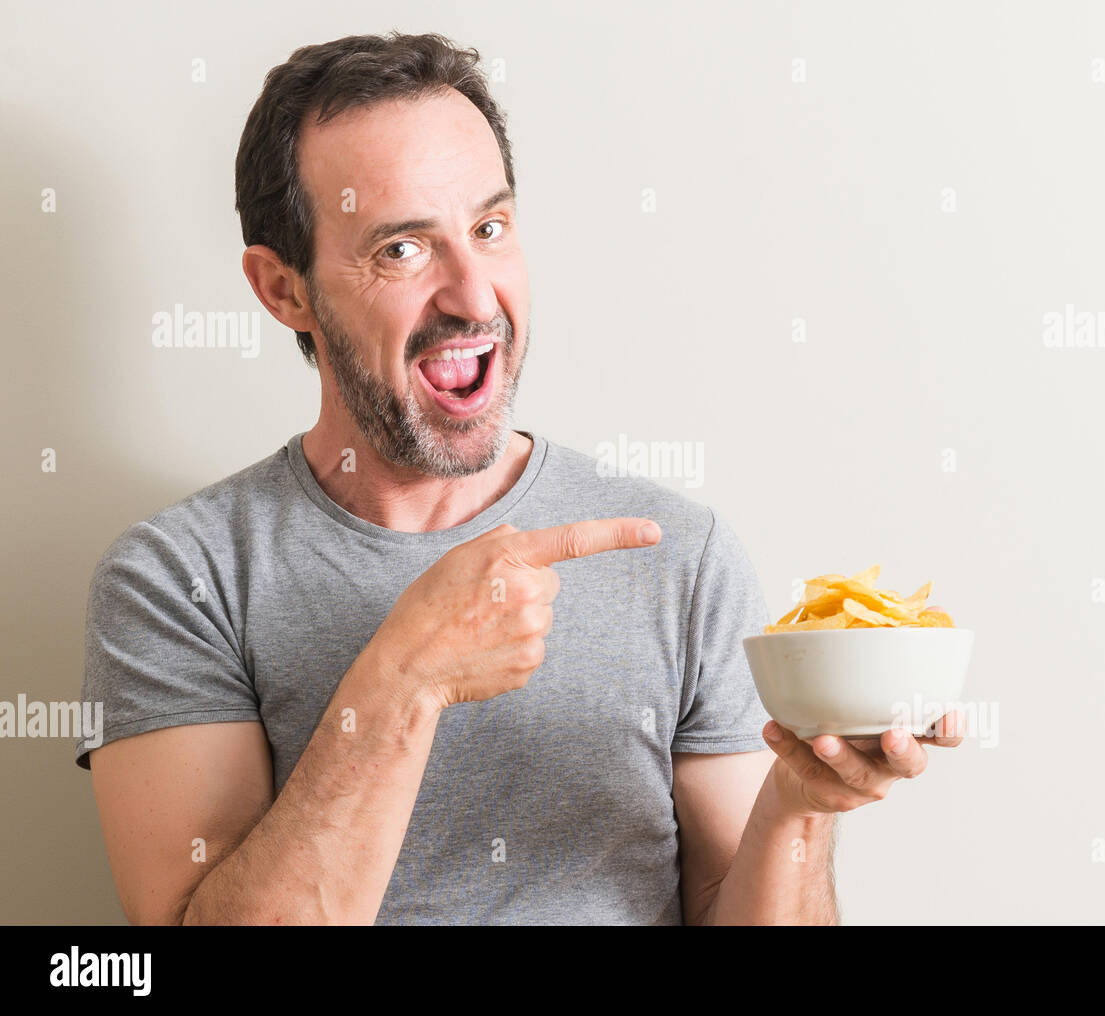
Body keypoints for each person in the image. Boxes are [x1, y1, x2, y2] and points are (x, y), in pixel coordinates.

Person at [76, 31, 963, 926]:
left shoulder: (680, 557)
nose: (473, 294)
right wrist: (410, 675)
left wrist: (799, 808)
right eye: (402, 250)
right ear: (283, 290)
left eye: (489, 229)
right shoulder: (178, 581)